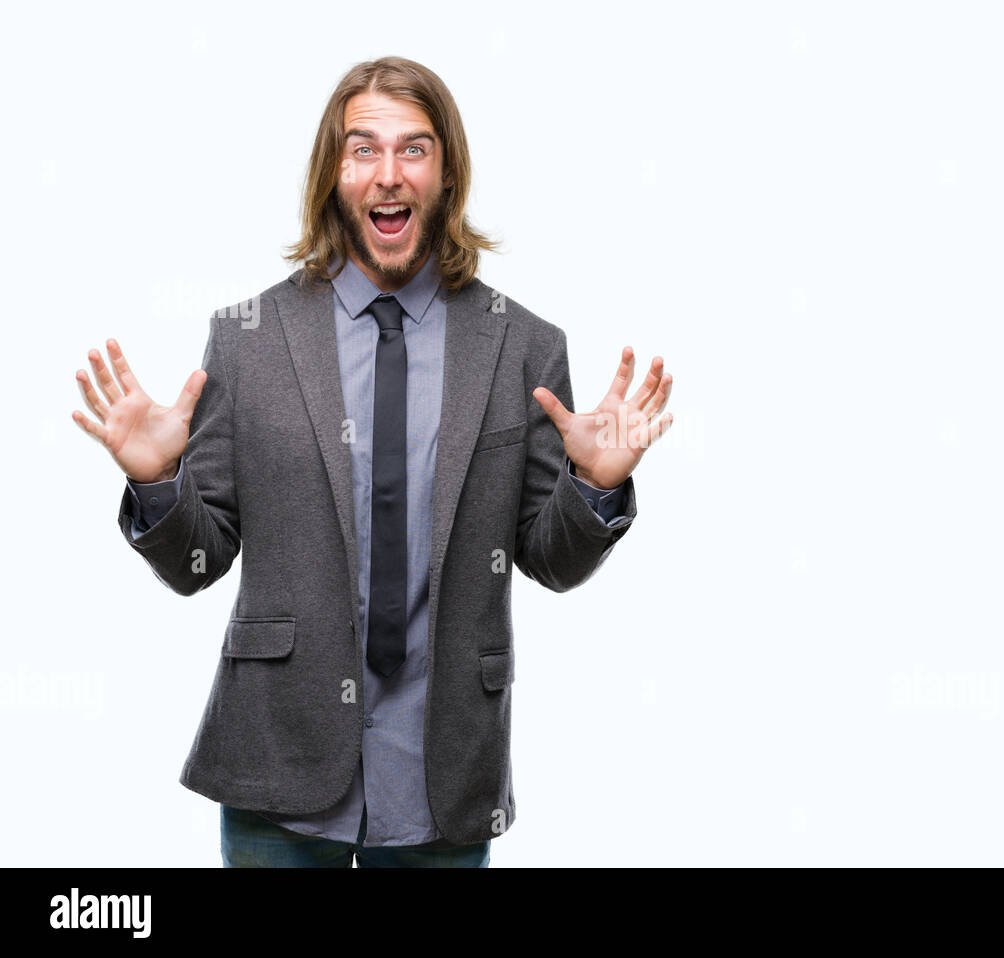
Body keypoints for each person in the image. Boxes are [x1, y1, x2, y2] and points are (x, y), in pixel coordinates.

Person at [70, 55, 673, 868]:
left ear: (447, 173)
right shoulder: (249, 341)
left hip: (443, 779)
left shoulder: (524, 346)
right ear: (333, 173)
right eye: (364, 149)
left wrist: (594, 488)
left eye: (414, 149)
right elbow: (194, 567)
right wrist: (156, 482)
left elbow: (550, 563)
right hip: (277, 771)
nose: (389, 174)